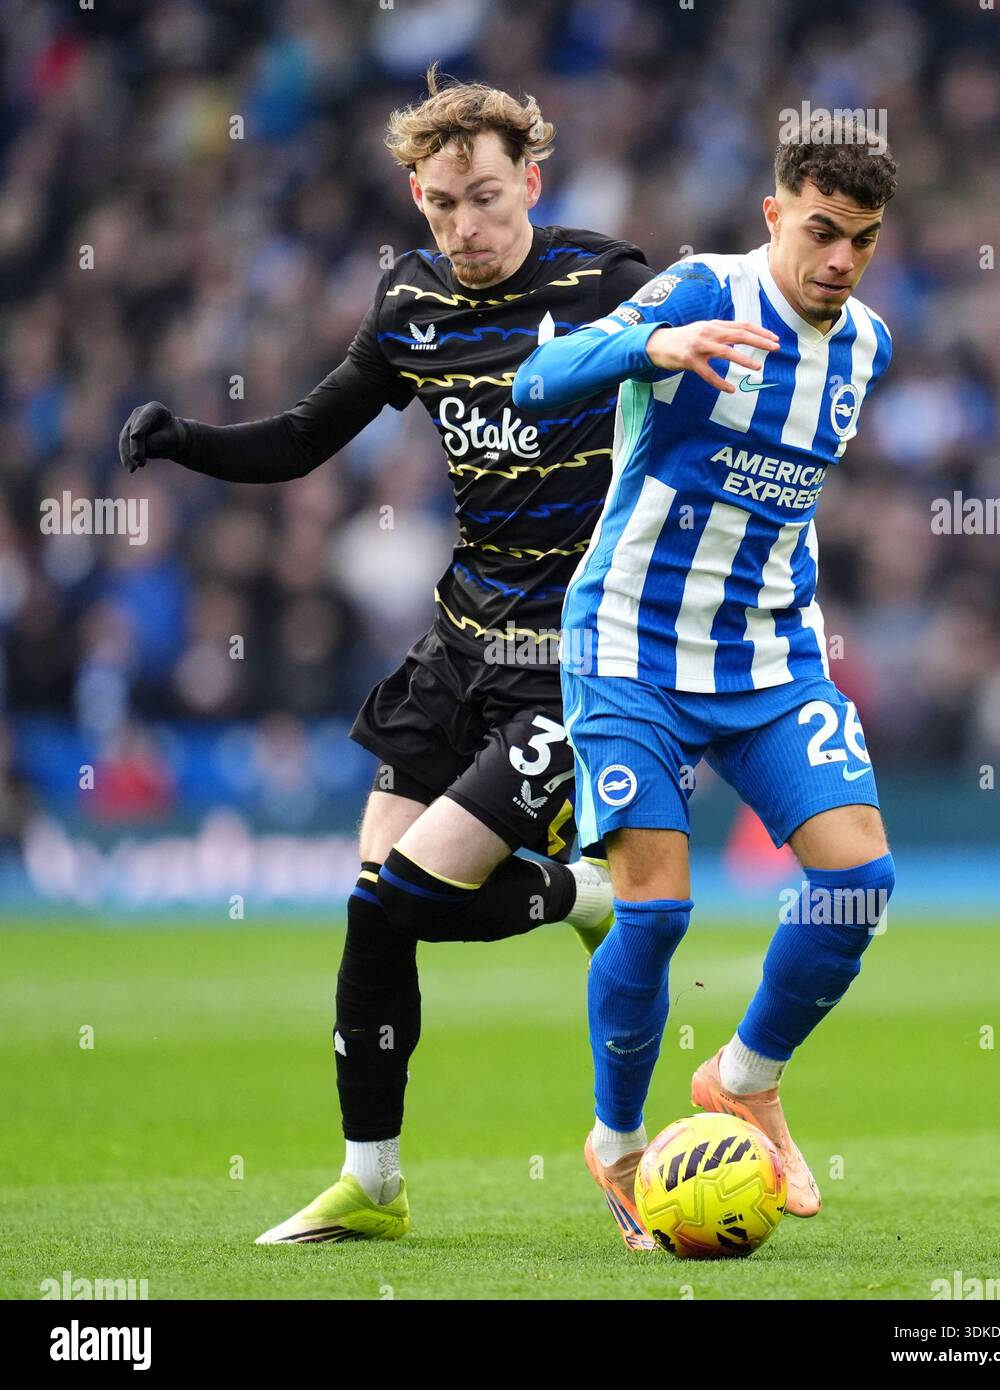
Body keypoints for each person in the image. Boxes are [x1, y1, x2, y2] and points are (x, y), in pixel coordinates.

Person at [118, 64, 653, 1243]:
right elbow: (307, 436)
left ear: (532, 183)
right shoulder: (409, 299)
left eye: (486, 198)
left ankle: (575, 902)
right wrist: (190, 438)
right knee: (376, 904)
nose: (465, 226)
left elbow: (720, 362)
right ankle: (375, 1179)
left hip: (572, 664)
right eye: (442, 202)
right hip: (453, 647)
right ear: (416, 196)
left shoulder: (607, 282)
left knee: (399, 902)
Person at [513, 121, 898, 1249]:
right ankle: (617, 1141)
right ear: (773, 213)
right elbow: (539, 379)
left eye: (861, 241)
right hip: (629, 644)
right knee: (656, 911)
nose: (838, 260)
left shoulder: (866, 345)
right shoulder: (696, 290)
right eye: (819, 232)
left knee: (856, 881)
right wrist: (651, 351)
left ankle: (742, 1077)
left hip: (770, 655)